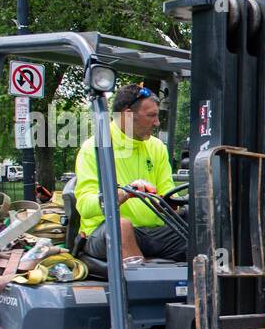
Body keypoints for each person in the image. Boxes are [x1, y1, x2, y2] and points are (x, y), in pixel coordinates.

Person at [74, 83, 186, 263]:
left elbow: (168, 195)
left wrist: (171, 203)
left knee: (203, 223)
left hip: (151, 232)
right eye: (151, 116)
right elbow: (85, 207)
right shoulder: (95, 148)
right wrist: (125, 193)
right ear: (127, 115)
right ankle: (142, 286)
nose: (157, 122)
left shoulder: (157, 147)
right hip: (103, 233)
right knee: (120, 226)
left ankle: (209, 287)